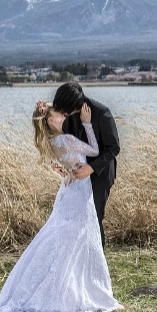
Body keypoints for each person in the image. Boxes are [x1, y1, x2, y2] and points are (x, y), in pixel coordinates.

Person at [0, 101, 122, 312]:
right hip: (77, 195)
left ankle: (72, 287)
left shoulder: (52, 142)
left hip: (68, 193)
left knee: (66, 239)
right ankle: (77, 290)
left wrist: (64, 169)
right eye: (57, 113)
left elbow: (68, 169)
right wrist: (87, 124)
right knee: (78, 239)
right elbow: (95, 152)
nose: (63, 115)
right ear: (50, 120)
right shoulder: (66, 139)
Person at [52, 82, 120, 248]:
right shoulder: (64, 112)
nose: (62, 114)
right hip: (75, 177)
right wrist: (57, 164)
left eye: (64, 111)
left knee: (94, 218)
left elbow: (114, 148)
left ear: (73, 106)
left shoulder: (102, 113)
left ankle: (97, 262)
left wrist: (90, 168)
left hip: (100, 175)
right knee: (74, 219)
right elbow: (64, 144)